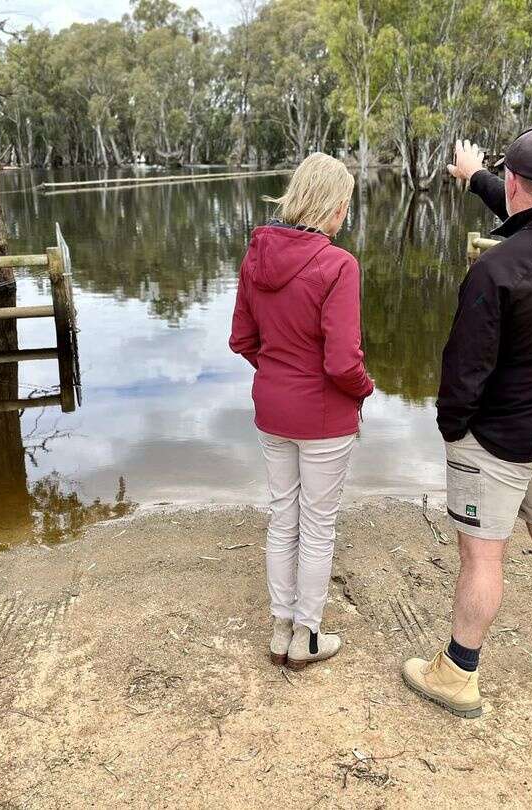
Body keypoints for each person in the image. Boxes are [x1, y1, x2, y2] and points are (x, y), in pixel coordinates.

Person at [401, 126, 532, 717]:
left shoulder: (495, 272)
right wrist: (474, 179)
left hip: (498, 441)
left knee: (483, 556)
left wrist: (453, 429)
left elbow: (464, 371)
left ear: (515, 182)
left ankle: (458, 672)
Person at [229, 152, 375, 671]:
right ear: (335, 208)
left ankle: (279, 628)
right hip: (324, 417)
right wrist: (364, 389)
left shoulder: (255, 256)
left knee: (281, 517)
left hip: (272, 409)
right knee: (317, 524)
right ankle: (306, 636)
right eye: (346, 207)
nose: (345, 217)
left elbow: (242, 339)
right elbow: (341, 362)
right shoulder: (339, 265)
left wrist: (276, 371)